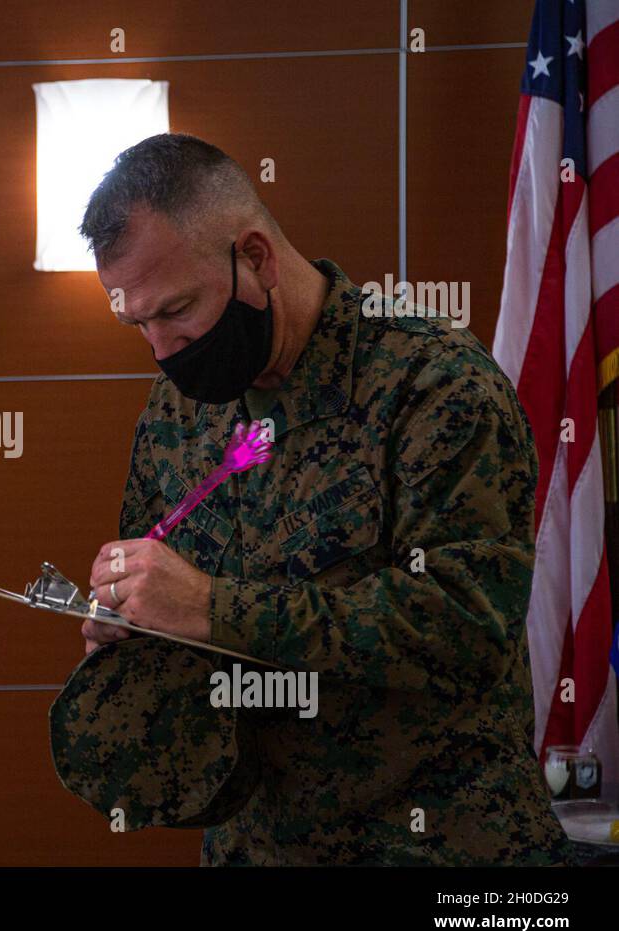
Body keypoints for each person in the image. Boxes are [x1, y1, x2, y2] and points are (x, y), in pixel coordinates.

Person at [72, 132, 572, 864]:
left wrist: (212, 606)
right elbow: (172, 603)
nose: (161, 347)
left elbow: (467, 624)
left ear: (255, 258)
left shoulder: (433, 385)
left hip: (439, 847)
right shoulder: (179, 415)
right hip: (256, 845)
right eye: (137, 323)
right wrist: (131, 624)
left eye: (176, 309)